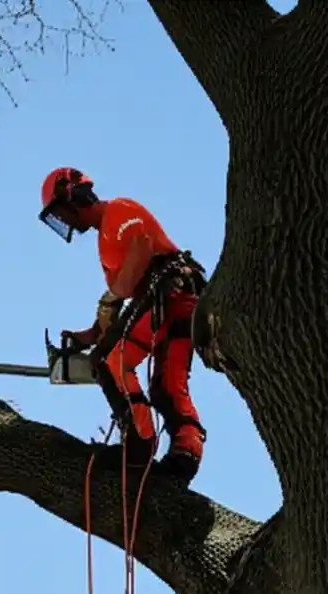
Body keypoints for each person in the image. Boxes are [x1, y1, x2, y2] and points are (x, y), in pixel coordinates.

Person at [38, 167, 208, 482]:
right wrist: (88, 335)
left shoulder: (119, 210)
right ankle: (184, 455)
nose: (64, 221)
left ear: (74, 195)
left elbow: (140, 249)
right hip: (172, 300)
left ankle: (140, 444)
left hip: (171, 291)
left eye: (61, 212)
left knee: (109, 360)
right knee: (165, 384)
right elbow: (119, 299)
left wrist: (110, 306)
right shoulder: (105, 244)